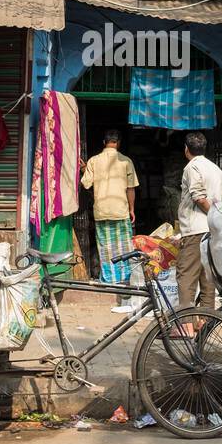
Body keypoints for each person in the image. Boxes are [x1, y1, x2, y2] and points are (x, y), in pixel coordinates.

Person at [80, 128, 141, 313]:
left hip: (102, 211)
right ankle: (124, 278)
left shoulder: (93, 161)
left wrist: (85, 169)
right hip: (120, 210)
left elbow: (86, 183)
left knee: (105, 247)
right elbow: (131, 188)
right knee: (124, 247)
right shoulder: (126, 161)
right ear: (119, 142)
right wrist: (132, 209)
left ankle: (109, 279)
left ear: (103, 142)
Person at [176, 131, 222, 311]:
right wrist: (219, 218)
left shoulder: (192, 167)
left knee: (186, 277)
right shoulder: (216, 169)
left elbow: (198, 197)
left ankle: (187, 325)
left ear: (186, 149)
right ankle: (207, 323)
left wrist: (212, 214)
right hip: (212, 232)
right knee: (208, 280)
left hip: (195, 231)